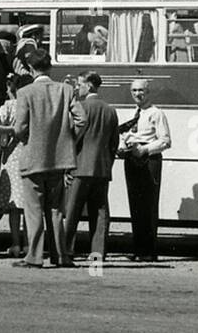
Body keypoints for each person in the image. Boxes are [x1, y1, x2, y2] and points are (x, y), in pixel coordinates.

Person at [12, 49, 85, 269]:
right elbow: (81, 119)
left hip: (33, 157)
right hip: (59, 159)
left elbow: (20, 128)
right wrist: (69, 140)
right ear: (50, 67)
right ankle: (61, 255)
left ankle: (34, 257)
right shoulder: (66, 90)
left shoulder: (25, 92)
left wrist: (24, 137)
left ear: (31, 68)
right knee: (55, 210)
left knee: (33, 210)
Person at [64, 72, 119, 260]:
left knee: (72, 212)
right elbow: (114, 143)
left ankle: (67, 250)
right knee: (100, 213)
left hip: (79, 167)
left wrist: (67, 167)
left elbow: (71, 139)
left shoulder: (80, 108)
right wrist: (107, 164)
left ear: (89, 86)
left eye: (80, 84)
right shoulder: (110, 110)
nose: (77, 88)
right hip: (102, 169)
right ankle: (98, 253)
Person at [119, 78, 171, 261]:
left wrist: (144, 149)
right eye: (134, 91)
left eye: (141, 90)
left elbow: (165, 141)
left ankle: (149, 252)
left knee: (148, 205)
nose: (137, 94)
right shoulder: (133, 113)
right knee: (135, 204)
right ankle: (139, 250)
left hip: (149, 160)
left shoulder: (156, 113)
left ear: (148, 92)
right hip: (132, 159)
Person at [0, 78, 26, 258]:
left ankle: (15, 244)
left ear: (10, 88)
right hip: (29, 154)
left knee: (13, 206)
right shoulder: (30, 104)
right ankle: (30, 244)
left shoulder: (6, 107)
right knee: (29, 204)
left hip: (12, 156)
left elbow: (2, 136)